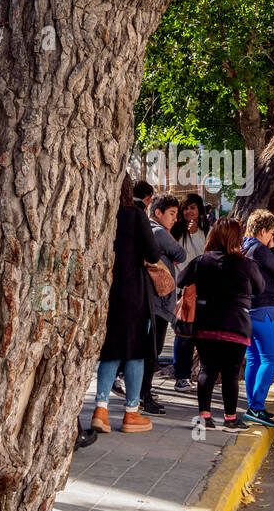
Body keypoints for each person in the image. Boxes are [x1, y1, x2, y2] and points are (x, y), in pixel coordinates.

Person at [176, 217, 264, 432]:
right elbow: (260, 288)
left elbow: (181, 282)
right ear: (237, 237)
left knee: (208, 369)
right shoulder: (247, 264)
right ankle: (230, 419)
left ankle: (204, 417)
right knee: (231, 373)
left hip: (206, 324)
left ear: (214, 235)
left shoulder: (201, 261)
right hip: (236, 325)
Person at [90, 173, 162, 434]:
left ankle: (100, 410)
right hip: (134, 292)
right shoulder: (135, 215)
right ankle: (132, 412)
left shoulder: (99, 215)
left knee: (111, 349)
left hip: (107, 291)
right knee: (135, 351)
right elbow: (153, 253)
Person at [242, 210, 274, 428]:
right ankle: (256, 407)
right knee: (270, 359)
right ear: (263, 231)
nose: (272, 237)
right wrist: (272, 248)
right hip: (263, 309)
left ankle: (253, 406)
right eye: (271, 233)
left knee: (254, 359)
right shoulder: (260, 249)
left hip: (246, 310)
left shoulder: (244, 245)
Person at [142, 194, 186, 414]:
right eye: (171, 214)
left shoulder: (149, 230)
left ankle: (142, 391)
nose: (175, 219)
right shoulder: (158, 232)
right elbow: (181, 253)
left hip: (154, 300)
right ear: (157, 212)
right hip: (158, 302)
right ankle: (144, 395)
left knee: (151, 350)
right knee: (153, 350)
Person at [171, 192, 210, 391]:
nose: (189, 212)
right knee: (183, 336)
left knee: (201, 335)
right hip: (182, 290)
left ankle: (204, 375)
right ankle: (181, 376)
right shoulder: (176, 232)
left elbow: (204, 256)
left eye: (192, 208)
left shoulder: (207, 231)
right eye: (185, 208)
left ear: (199, 210)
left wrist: (195, 233)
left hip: (202, 291)